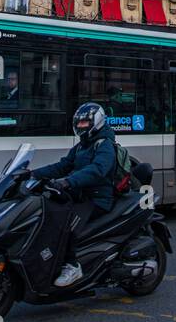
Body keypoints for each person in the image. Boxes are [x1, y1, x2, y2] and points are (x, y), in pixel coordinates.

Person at [30, 102, 119, 288]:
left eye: (85, 124)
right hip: (79, 196)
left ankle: (73, 265)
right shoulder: (81, 146)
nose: (81, 127)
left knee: (67, 225)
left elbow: (97, 170)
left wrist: (68, 181)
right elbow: (62, 166)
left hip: (97, 199)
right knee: (49, 215)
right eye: (78, 124)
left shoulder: (105, 144)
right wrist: (32, 174)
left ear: (97, 122)